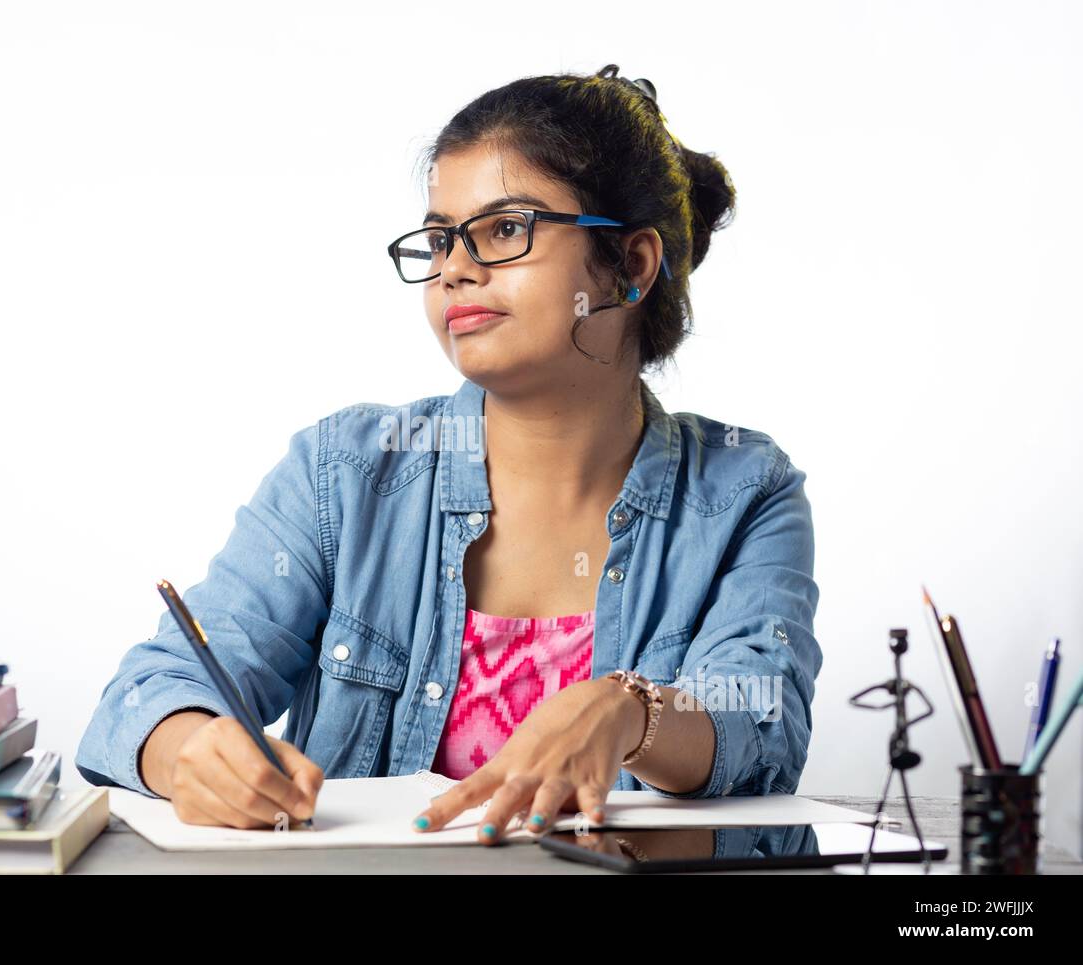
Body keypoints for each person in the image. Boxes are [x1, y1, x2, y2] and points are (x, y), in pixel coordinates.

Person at [75, 63, 822, 846]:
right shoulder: (346, 472)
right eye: (440, 239)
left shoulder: (744, 491)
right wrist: (187, 747)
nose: (454, 268)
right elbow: (152, 687)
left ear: (632, 266)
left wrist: (630, 711)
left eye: (505, 229)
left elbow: (762, 722)